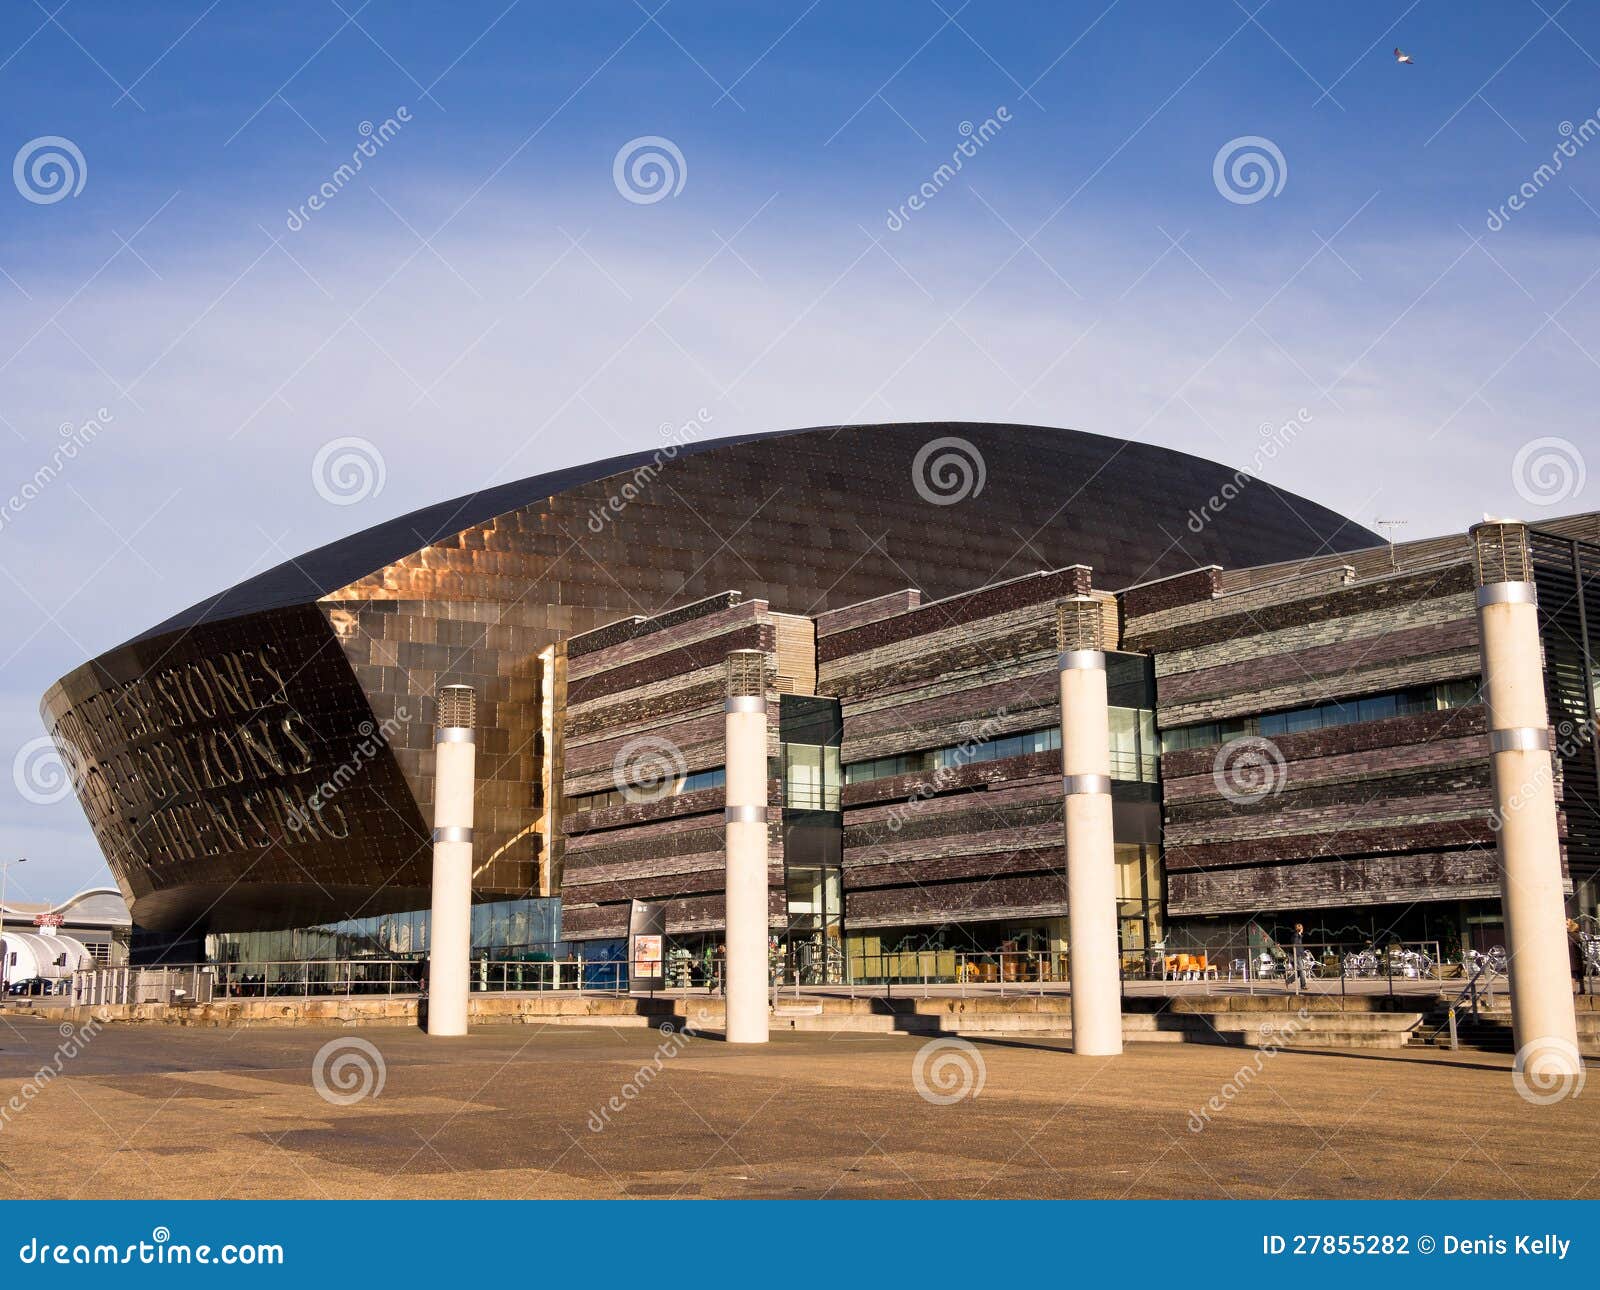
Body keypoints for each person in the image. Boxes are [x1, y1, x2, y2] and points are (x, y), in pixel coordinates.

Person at [1290, 922, 1308, 992]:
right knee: (1302, 971)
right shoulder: (1295, 936)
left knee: (1299, 972)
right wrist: (1298, 934)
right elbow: (1295, 945)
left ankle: (1288, 981)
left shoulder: (1299, 936)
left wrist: (1303, 955)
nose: (1303, 929)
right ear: (1299, 929)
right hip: (1297, 956)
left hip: (1300, 956)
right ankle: (1303, 986)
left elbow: (1300, 947)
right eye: (1302, 928)